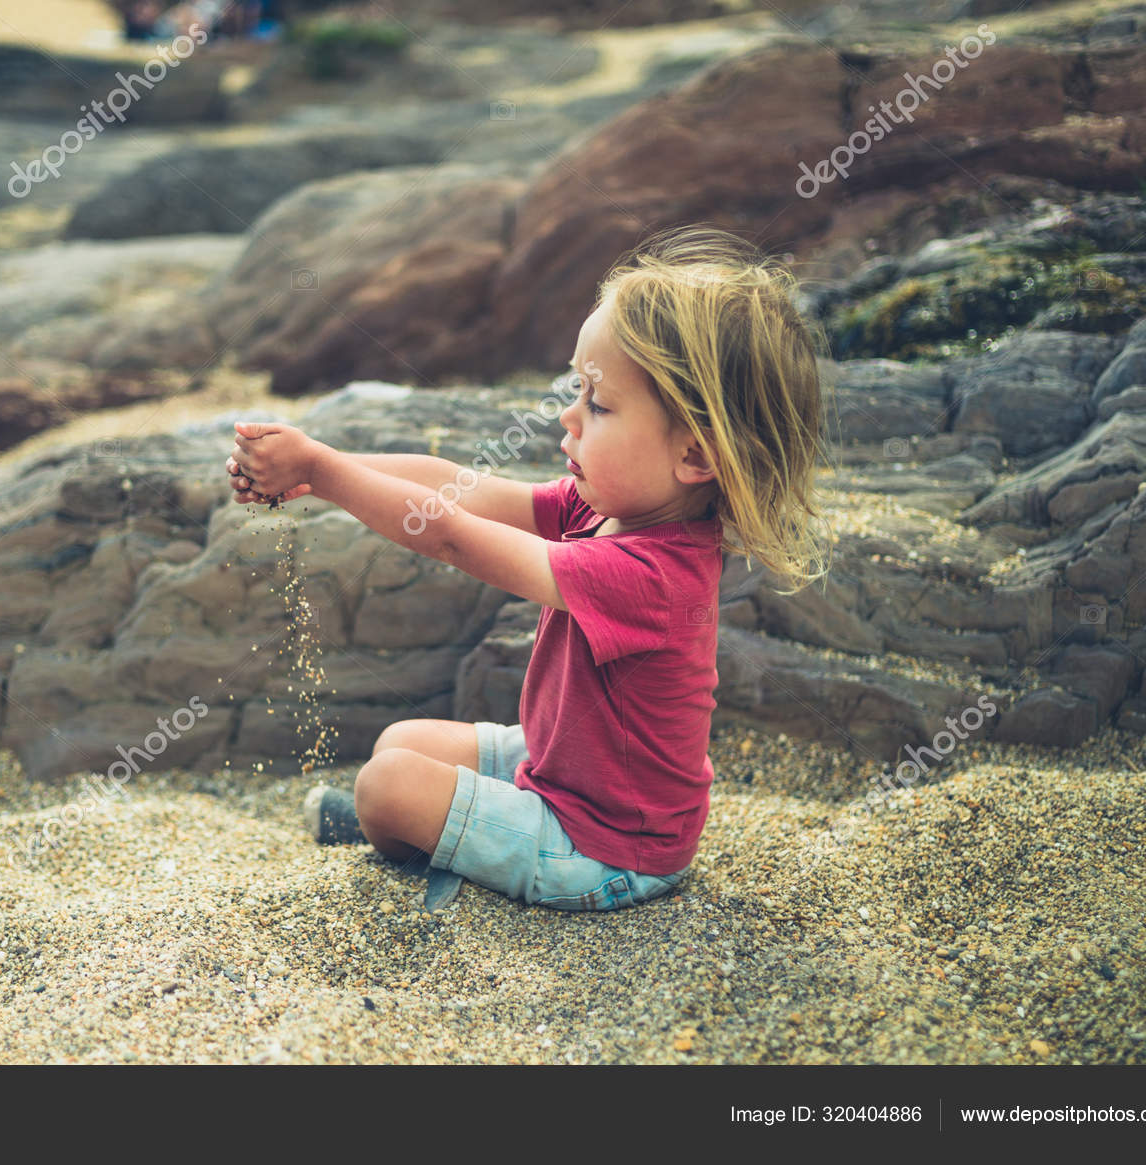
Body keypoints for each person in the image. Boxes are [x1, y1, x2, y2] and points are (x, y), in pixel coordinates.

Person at [226, 225, 829, 911]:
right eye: (578, 391)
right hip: (566, 766)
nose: (568, 418)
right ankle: (424, 828)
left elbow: (452, 535)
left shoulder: (654, 576)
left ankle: (409, 833)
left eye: (598, 404)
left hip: (605, 845)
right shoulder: (608, 506)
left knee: (386, 784)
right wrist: (315, 465)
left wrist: (324, 473)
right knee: (402, 739)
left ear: (694, 455)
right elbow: (464, 489)